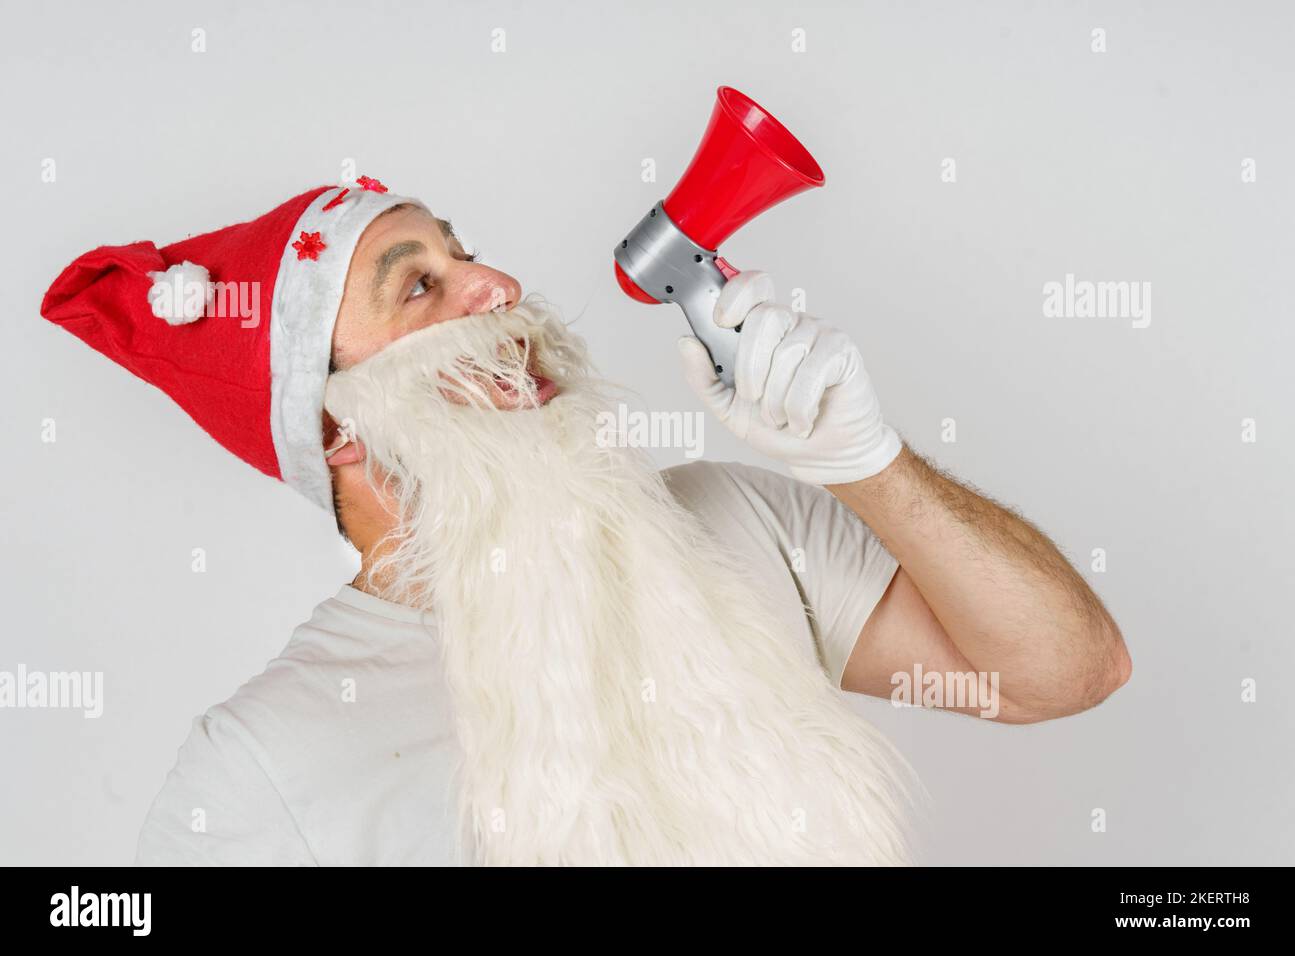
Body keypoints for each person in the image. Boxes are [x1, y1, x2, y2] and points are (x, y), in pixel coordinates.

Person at [41, 179, 1131, 866]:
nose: (496, 284)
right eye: (417, 286)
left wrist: (866, 462)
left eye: (465, 253)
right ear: (336, 428)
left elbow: (1064, 669)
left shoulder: (730, 514)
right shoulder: (261, 764)